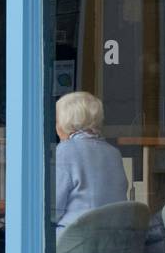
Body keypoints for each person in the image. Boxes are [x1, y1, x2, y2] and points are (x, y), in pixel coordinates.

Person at [52, 91, 128, 236]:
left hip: (75, 244)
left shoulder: (64, 151)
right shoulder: (113, 153)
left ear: (65, 122)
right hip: (113, 243)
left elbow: (51, 210)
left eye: (57, 120)